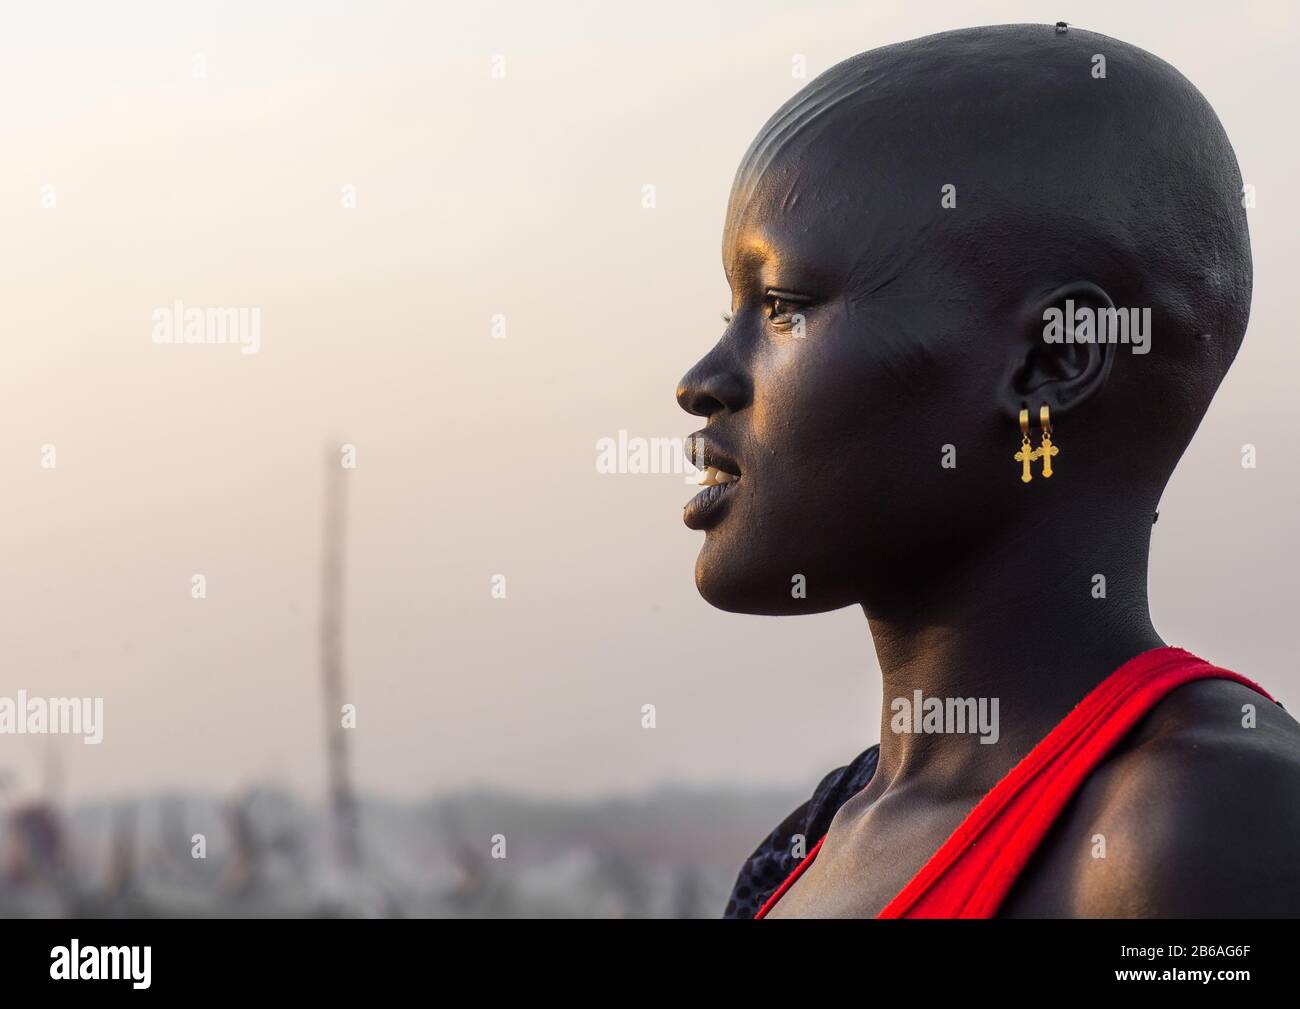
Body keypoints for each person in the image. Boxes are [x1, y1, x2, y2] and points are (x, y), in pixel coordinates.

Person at [676, 23, 1300, 917]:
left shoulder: (1195, 829)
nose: (702, 383)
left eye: (781, 306)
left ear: (1050, 360)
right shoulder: (808, 843)